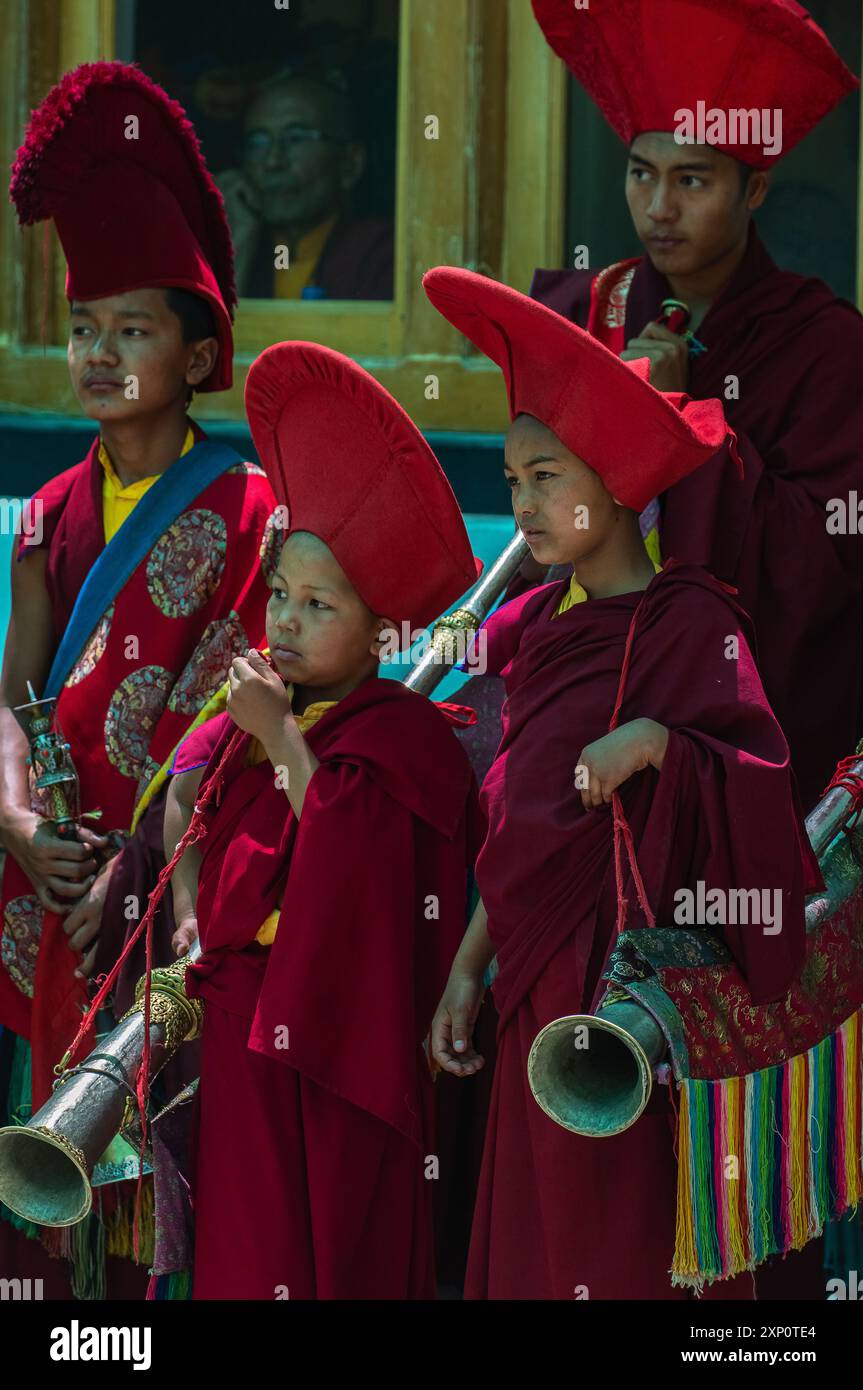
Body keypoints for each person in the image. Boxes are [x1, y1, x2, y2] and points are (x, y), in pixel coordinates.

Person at [424, 266, 821, 1300]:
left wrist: (658, 742)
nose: (523, 505)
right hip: (532, 983)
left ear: (610, 482)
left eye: (546, 477)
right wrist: (470, 964)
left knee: (619, 1240)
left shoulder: (692, 622)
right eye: (512, 481)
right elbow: (514, 823)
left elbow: (760, 791)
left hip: (629, 998)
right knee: (534, 1242)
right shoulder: (531, 628)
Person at [0, 61, 275, 1296]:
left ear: (200, 349)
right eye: (82, 327)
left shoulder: (253, 510)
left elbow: (236, 707)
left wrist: (136, 857)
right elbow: (10, 697)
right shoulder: (47, 512)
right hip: (37, 887)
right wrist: (13, 820)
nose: (100, 354)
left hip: (156, 885)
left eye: (135, 329)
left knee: (147, 1170)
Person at [163, 341, 481, 1299]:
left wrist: (289, 746)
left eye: (318, 604)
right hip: (238, 1028)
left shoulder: (400, 737)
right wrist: (186, 909)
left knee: (330, 1250)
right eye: (278, 596)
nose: (286, 623)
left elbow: (358, 881)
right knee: (247, 1249)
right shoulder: (256, 720)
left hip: (337, 1050)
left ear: (379, 629)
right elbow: (190, 823)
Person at [527, 0, 863, 811]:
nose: (659, 209)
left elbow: (823, 564)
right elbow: (538, 512)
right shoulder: (590, 314)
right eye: (641, 173)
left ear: (754, 188)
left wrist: (691, 425)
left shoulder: (827, 347)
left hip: (736, 724)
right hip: (582, 690)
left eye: (692, 180)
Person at [219, 70, 393, 301]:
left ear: (350, 164)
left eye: (296, 138)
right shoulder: (242, 247)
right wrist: (234, 248)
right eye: (257, 142)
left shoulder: (382, 254)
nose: (273, 161)